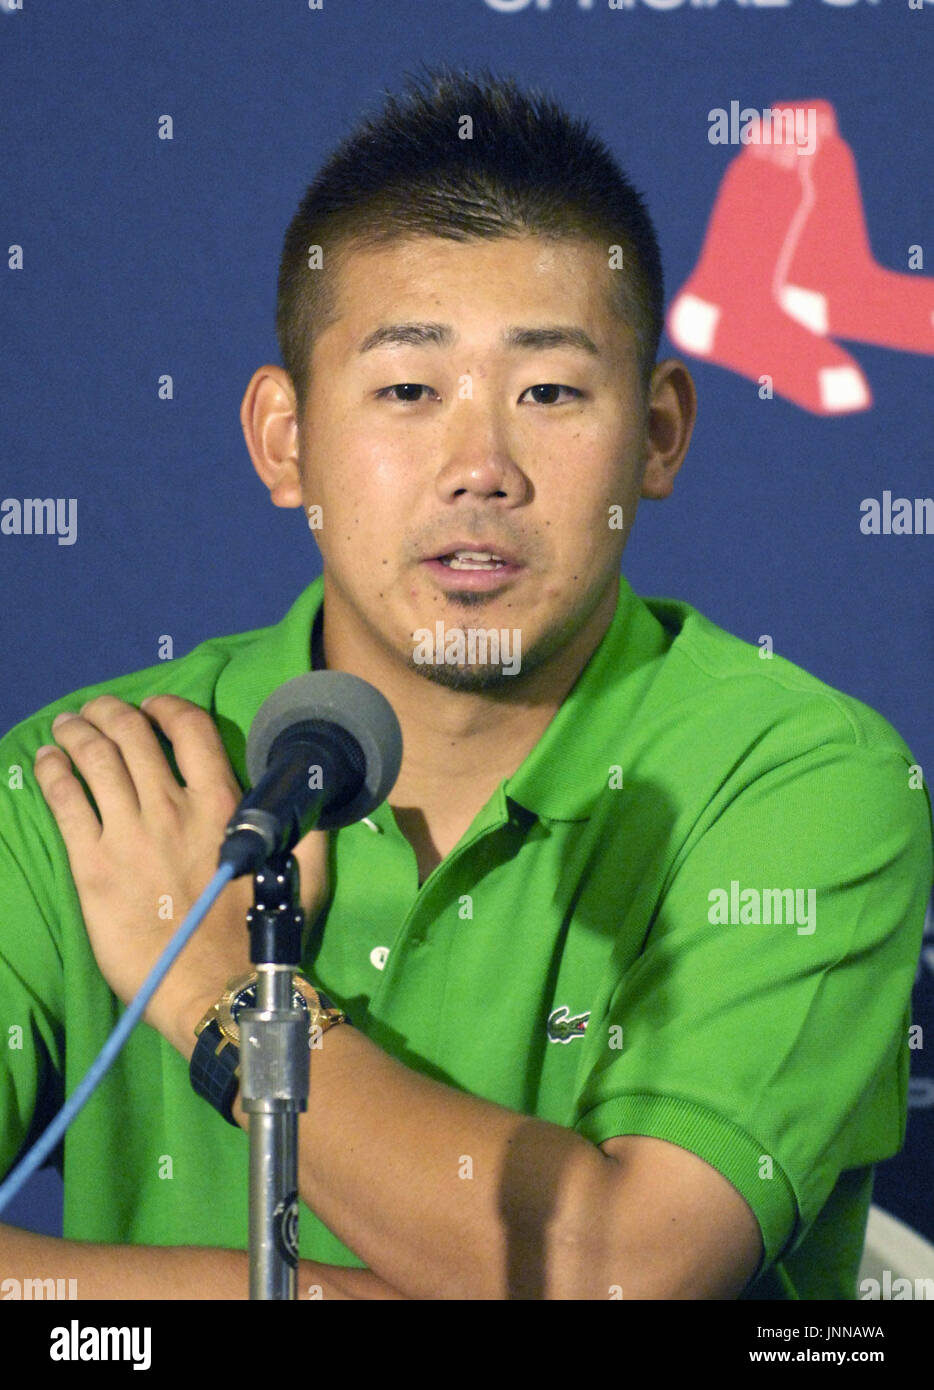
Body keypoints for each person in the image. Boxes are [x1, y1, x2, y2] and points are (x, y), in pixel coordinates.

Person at [1, 65, 930, 1302]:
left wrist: (216, 987)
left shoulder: (803, 776)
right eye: (406, 390)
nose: (480, 466)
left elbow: (620, 1271)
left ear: (657, 434)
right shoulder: (99, 776)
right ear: (284, 439)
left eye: (548, 391)